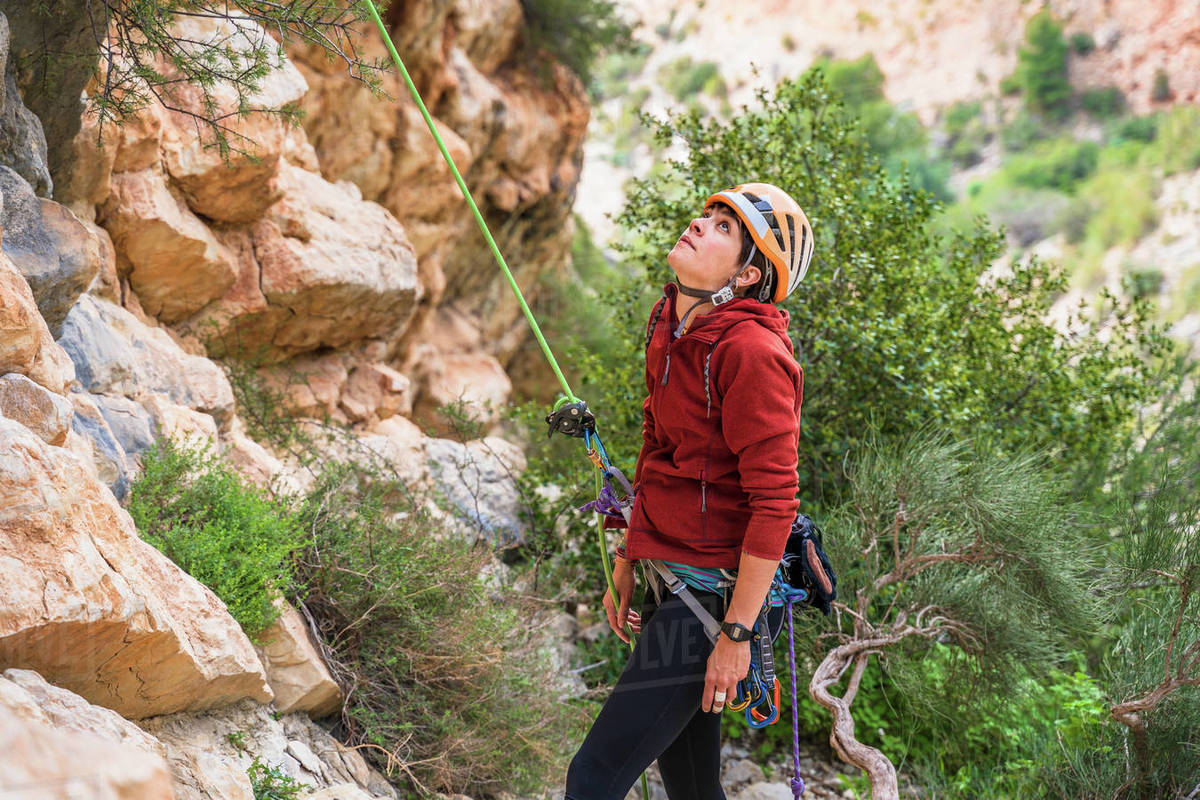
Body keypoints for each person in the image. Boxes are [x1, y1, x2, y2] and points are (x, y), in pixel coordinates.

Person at [565, 183, 814, 800]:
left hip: (710, 605)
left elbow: (775, 502)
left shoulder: (751, 353)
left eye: (725, 229)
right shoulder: (672, 319)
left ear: (748, 275)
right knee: (692, 785)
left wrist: (736, 635)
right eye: (708, 216)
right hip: (669, 577)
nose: (701, 226)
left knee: (593, 777)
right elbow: (658, 447)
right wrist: (628, 560)